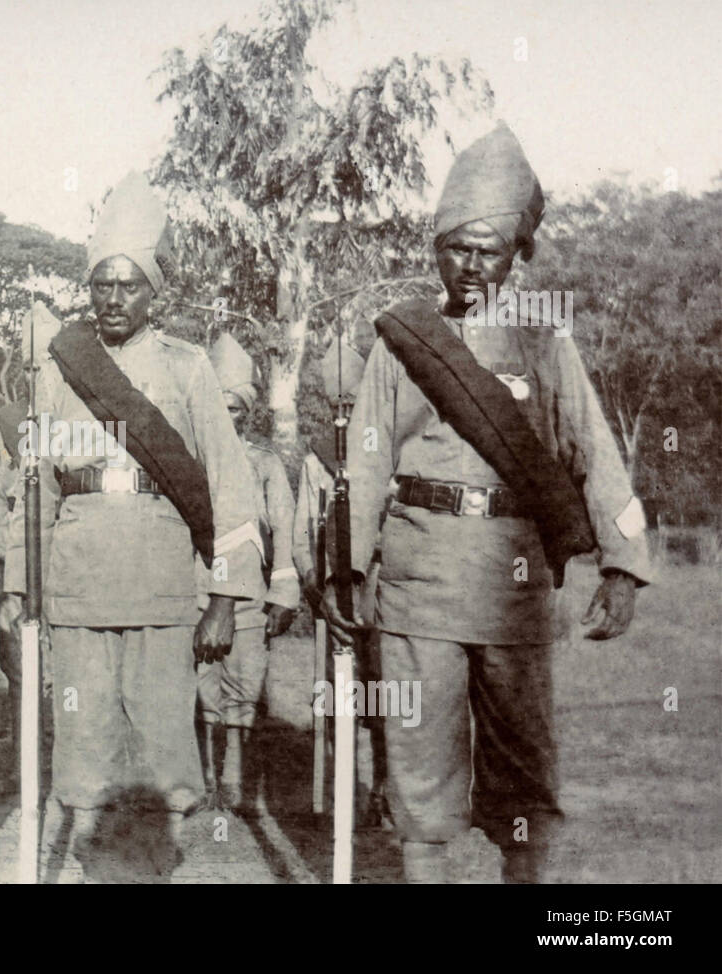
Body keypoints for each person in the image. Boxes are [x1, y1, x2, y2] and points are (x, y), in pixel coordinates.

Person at [322, 123, 652, 883]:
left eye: (488, 250)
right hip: (418, 579)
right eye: (456, 247)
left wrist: (622, 567)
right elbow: (367, 463)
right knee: (419, 768)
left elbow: (595, 452)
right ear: (435, 248)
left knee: (523, 772)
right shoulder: (403, 341)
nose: (470, 265)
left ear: (515, 256)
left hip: (513, 582)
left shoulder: (544, 341)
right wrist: (346, 568)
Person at [0, 172, 263, 871]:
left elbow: (230, 490)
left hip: (161, 589)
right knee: (84, 750)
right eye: (102, 285)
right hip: (79, 587)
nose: (113, 299)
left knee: (163, 752)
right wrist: (17, 587)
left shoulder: (187, 368)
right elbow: (36, 493)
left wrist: (226, 599)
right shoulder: (59, 372)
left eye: (129, 285)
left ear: (154, 292)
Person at [196, 333, 298, 810]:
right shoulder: (185, 462)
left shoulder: (264, 464)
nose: (225, 417)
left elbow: (285, 531)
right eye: (217, 406)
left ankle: (233, 771)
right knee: (198, 681)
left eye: (234, 409)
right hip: (193, 586)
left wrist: (283, 592)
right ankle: (199, 775)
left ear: (247, 412)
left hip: (249, 593)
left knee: (243, 677)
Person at [292, 333, 388, 827]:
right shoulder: (316, 460)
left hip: (386, 588)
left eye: (353, 401)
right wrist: (313, 581)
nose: (344, 411)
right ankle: (341, 789)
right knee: (339, 695)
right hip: (336, 593)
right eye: (338, 403)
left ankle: (387, 787)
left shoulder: (388, 445)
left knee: (388, 691)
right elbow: (302, 526)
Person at [0, 303, 62, 800]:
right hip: (13, 560)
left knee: (70, 667)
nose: (36, 376)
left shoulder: (81, 420)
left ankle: (69, 768)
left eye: (45, 365)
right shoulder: (6, 424)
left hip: (66, 559)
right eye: (29, 367)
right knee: (17, 668)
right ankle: (22, 764)